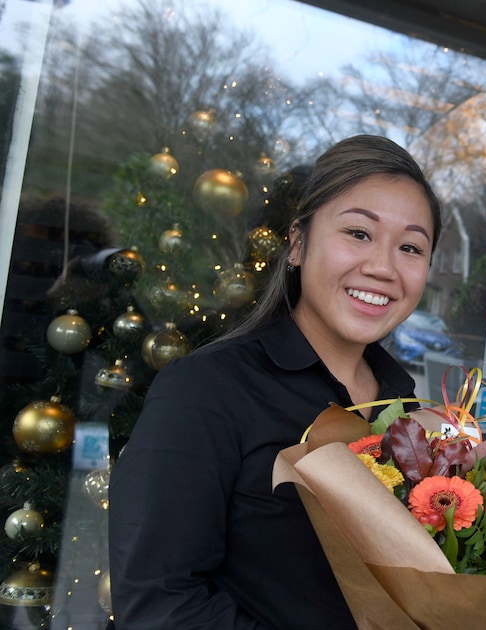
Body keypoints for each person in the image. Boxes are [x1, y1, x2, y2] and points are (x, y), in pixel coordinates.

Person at [108, 134, 443, 628]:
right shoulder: (206, 390)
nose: (382, 267)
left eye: (410, 247)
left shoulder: (410, 415)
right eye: (358, 233)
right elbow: (158, 602)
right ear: (298, 244)